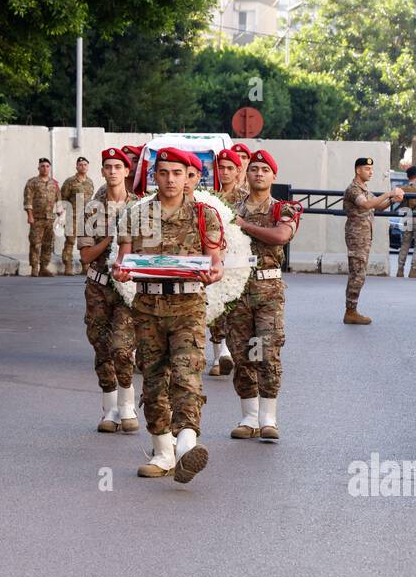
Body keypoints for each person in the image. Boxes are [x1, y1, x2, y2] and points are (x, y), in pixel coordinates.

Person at [114, 148, 224, 483]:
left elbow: (215, 263)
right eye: (163, 173)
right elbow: (123, 259)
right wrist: (121, 271)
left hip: (188, 307)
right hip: (147, 307)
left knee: (186, 374)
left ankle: (187, 446)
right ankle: (163, 452)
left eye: (178, 173)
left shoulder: (205, 215)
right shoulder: (136, 215)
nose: (171, 179)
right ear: (154, 176)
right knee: (152, 381)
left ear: (189, 176)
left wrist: (212, 274)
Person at [228, 150, 298, 441]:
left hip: (267, 289)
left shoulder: (283, 209)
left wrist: (245, 227)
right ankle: (249, 417)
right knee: (241, 353)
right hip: (237, 288)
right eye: (254, 168)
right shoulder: (230, 207)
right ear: (247, 173)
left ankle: (269, 418)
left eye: (264, 170)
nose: (258, 173)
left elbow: (282, 236)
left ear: (273, 176)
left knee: (266, 352)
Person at [78, 147, 137, 433]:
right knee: (101, 346)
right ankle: (109, 409)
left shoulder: (141, 206)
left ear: (127, 172)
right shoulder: (91, 208)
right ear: (102, 172)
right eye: (108, 167)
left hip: (127, 288)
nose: (113, 171)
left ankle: (127, 406)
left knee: (122, 348)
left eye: (118, 167)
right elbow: (86, 256)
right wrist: (112, 239)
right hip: (98, 287)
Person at [342, 157, 403, 324]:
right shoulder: (353, 189)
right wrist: (389, 192)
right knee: (357, 273)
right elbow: (367, 205)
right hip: (356, 237)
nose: (371, 172)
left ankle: (352, 310)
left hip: (364, 236)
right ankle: (350, 311)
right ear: (358, 170)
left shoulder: (364, 189)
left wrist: (392, 200)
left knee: (359, 273)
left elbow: (379, 206)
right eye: (367, 169)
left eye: (371, 169)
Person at [207, 147, 245, 375]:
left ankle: (237, 354)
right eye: (221, 168)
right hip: (216, 259)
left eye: (230, 168)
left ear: (238, 171)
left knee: (237, 311)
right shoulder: (209, 197)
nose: (225, 172)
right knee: (215, 308)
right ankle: (218, 357)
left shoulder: (244, 198)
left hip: (239, 262)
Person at [23, 157, 60, 277]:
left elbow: (59, 201)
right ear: (38, 168)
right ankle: (34, 267)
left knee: (48, 244)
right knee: (35, 242)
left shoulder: (54, 183)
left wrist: (60, 216)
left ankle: (43, 267)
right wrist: (30, 215)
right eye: (42, 166)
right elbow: (28, 199)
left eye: (47, 166)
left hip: (50, 219)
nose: (45, 168)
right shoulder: (32, 182)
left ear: (50, 168)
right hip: (37, 218)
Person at [58, 156, 94, 276]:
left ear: (87, 167)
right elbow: (62, 198)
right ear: (76, 166)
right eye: (80, 165)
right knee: (70, 241)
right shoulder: (70, 181)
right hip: (72, 216)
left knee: (86, 242)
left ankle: (86, 266)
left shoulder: (89, 182)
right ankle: (68, 266)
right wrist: (61, 215)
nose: (83, 166)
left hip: (86, 218)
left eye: (85, 164)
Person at [395, 165, 416, 279]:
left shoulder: (402, 189)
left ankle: (400, 270)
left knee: (405, 244)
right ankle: (413, 270)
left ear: (407, 176)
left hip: (406, 217)